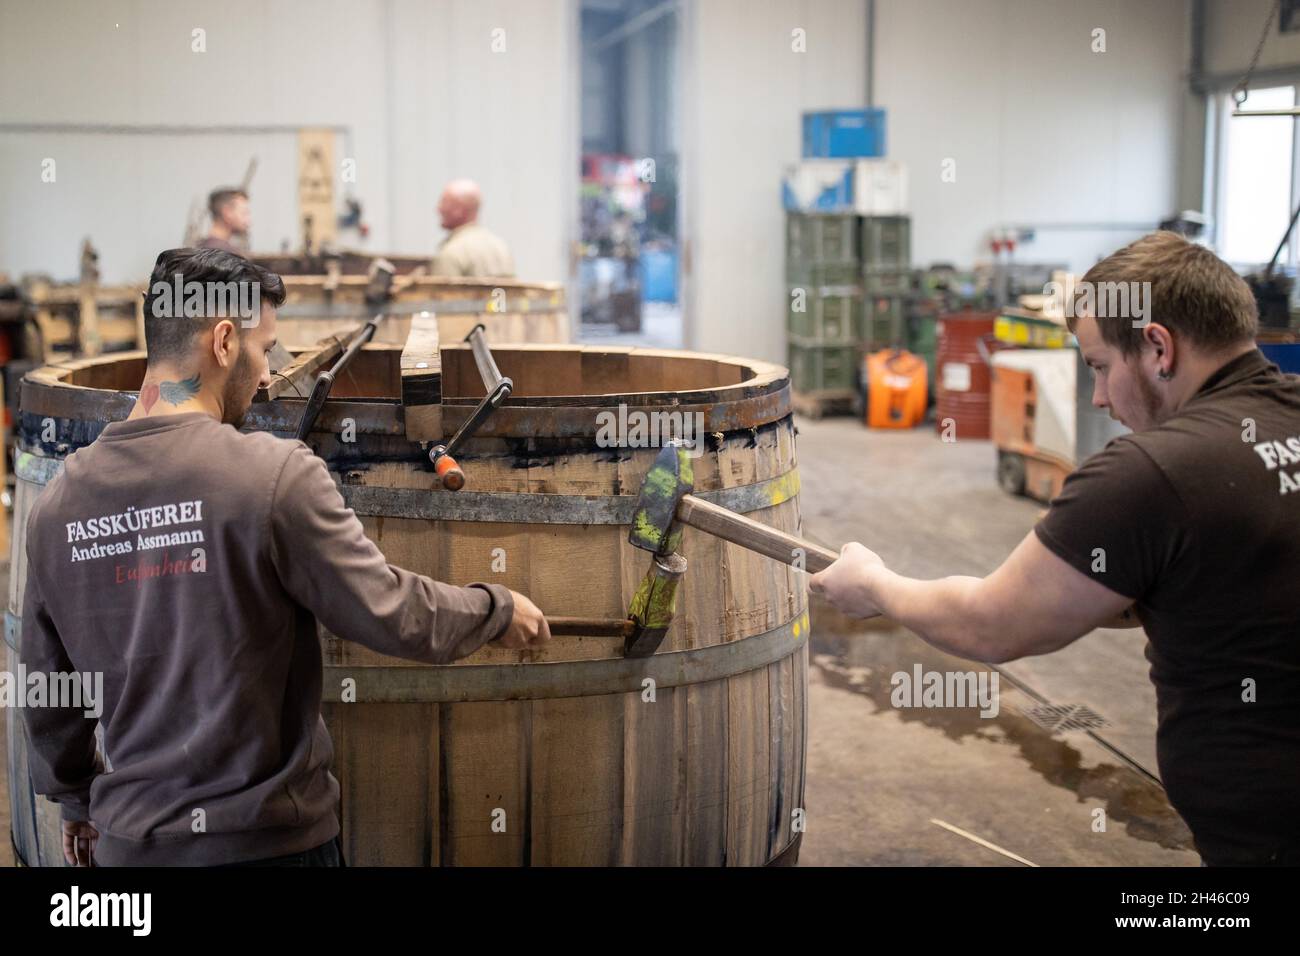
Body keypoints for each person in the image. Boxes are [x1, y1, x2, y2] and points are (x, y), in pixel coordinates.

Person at [20, 247, 550, 867]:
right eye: (264, 348)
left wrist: (76, 801)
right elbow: (387, 610)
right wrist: (494, 607)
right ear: (223, 341)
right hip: (266, 846)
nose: (270, 374)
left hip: (129, 850)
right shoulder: (271, 476)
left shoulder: (56, 506)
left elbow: (48, 691)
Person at [811, 231, 1300, 867]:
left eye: (1099, 367)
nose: (1098, 397)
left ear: (1157, 347)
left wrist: (873, 583)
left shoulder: (1150, 472)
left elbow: (988, 625)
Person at [430, 178, 515, 278]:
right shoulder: (500, 247)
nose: (439, 209)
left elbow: (442, 293)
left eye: (444, 202)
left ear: (458, 210)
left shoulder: (451, 253)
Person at [198, 187, 250, 255]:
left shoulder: (202, 249)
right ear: (227, 212)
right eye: (244, 213)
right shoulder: (222, 253)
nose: (248, 221)